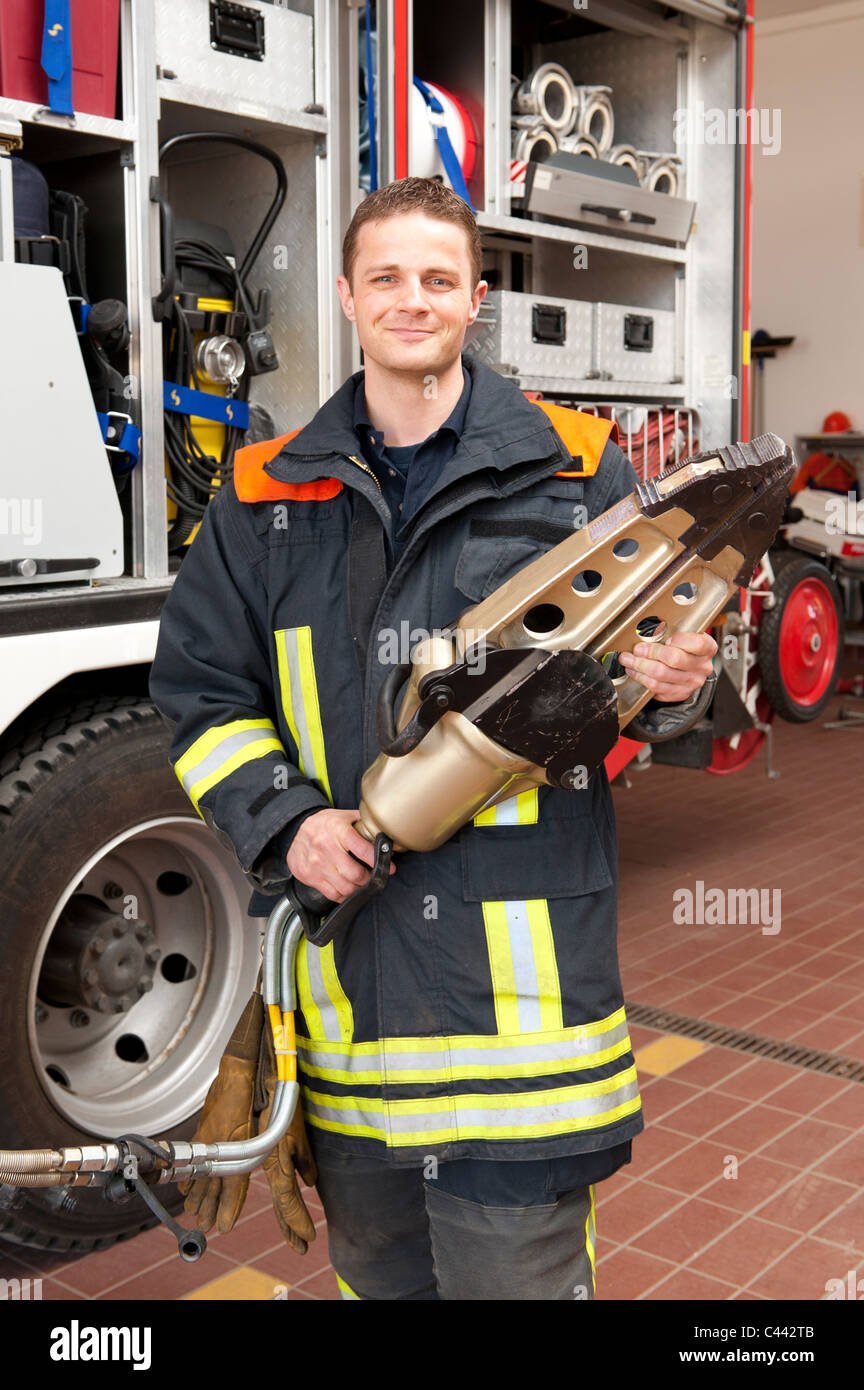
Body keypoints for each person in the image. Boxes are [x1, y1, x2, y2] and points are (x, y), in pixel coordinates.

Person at [149, 176, 716, 1301]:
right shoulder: (265, 494)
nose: (416, 300)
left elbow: (647, 670)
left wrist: (672, 684)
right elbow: (203, 691)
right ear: (352, 299)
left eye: (440, 279)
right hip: (357, 999)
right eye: (390, 278)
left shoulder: (577, 465)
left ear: (475, 301)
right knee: (381, 1284)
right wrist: (287, 821)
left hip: (526, 1016)